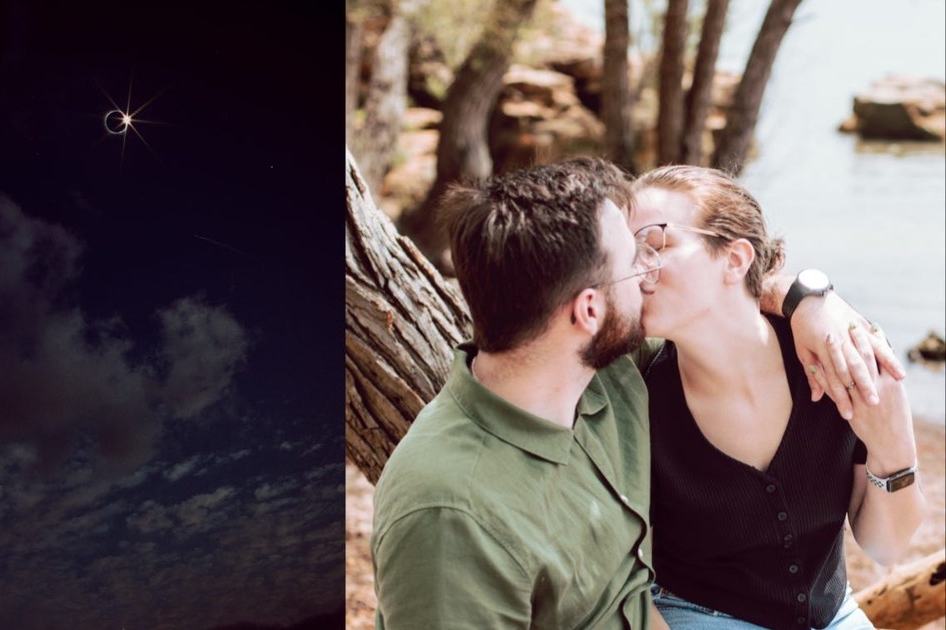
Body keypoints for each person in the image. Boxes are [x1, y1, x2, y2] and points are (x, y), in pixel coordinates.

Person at [369, 158, 898, 629]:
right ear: (590, 312)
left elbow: (726, 298)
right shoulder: (450, 515)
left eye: (655, 249)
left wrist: (812, 298)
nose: (649, 273)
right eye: (633, 259)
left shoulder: (607, 375)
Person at [628, 165, 925, 630]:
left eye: (657, 243)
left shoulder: (836, 359)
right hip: (694, 615)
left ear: (735, 259)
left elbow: (885, 547)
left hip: (833, 614)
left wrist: (893, 447)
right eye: (626, 253)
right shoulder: (636, 390)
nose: (635, 268)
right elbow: (619, 571)